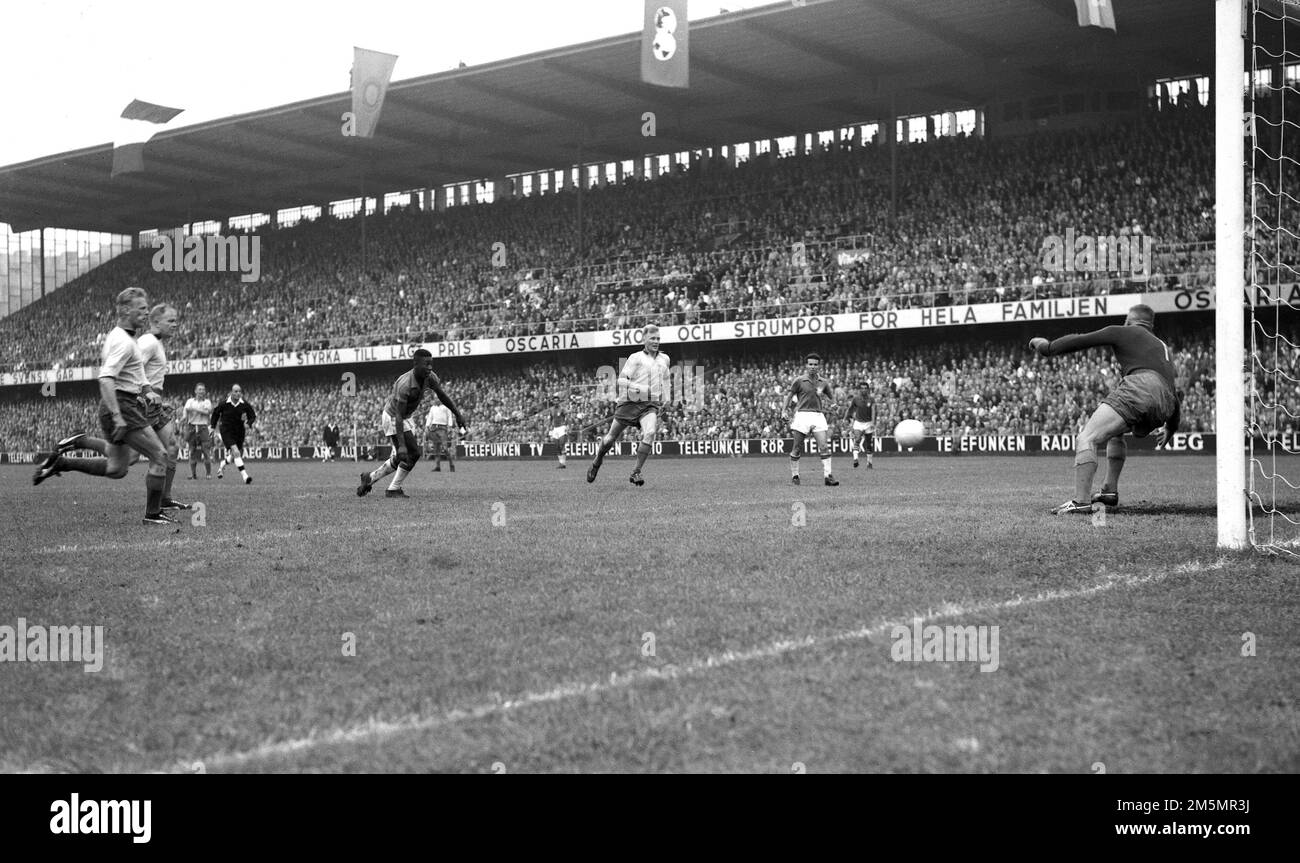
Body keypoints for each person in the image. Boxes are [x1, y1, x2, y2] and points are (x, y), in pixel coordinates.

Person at [32, 287, 176, 525]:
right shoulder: (124, 341)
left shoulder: (126, 337)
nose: (146, 312)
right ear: (126, 310)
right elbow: (106, 378)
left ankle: (63, 462)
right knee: (161, 455)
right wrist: (118, 415)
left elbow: (136, 378)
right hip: (121, 405)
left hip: (123, 403)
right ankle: (153, 515)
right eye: (142, 308)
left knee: (117, 468)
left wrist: (150, 393)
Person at [1029, 303, 1181, 514]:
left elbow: (1081, 340)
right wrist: (1171, 428)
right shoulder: (1162, 348)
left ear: (1129, 320)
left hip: (1142, 387)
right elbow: (1175, 392)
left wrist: (1046, 347)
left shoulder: (1125, 330)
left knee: (1086, 438)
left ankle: (1080, 501)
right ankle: (1109, 490)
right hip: (1167, 402)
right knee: (1115, 432)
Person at [357, 349, 467, 498]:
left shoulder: (430, 377)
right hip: (393, 417)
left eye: (431, 364)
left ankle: (370, 478)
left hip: (406, 417)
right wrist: (401, 444)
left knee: (402, 457)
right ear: (415, 364)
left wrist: (458, 415)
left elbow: (442, 395)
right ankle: (393, 489)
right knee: (412, 453)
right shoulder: (405, 384)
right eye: (426, 364)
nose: (429, 368)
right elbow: (398, 416)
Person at [587, 325, 669, 487]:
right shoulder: (635, 357)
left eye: (658, 338)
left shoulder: (664, 359)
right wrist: (639, 387)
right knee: (610, 438)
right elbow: (621, 380)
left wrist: (666, 397)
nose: (656, 341)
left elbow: (665, 378)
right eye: (652, 338)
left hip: (649, 403)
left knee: (651, 432)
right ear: (643, 339)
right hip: (630, 401)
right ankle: (597, 461)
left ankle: (636, 471)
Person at [785, 352, 839, 486]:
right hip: (802, 415)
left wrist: (833, 404)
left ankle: (828, 477)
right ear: (806, 365)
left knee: (824, 446)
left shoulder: (823, 382)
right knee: (797, 448)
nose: (813, 367)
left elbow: (831, 397)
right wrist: (783, 410)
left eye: (815, 364)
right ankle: (795, 476)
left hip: (818, 415)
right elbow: (789, 396)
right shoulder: (799, 381)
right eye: (810, 364)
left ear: (819, 366)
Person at [211, 384, 256, 484]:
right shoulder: (224, 404)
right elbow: (215, 413)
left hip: (239, 432)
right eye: (235, 391)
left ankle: (223, 463)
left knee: (235, 454)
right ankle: (245, 476)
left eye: (239, 391)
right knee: (236, 452)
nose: (238, 393)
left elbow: (252, 416)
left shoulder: (244, 404)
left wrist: (248, 424)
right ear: (231, 392)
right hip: (226, 431)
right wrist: (212, 427)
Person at [182, 383, 215, 479]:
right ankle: (193, 474)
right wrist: (183, 418)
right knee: (192, 451)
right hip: (191, 427)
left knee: (206, 452)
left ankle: (208, 474)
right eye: (199, 389)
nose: (201, 391)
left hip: (203, 427)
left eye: (203, 390)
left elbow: (208, 412)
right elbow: (186, 411)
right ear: (195, 391)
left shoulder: (207, 402)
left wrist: (194, 409)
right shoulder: (189, 401)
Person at [843, 380, 876, 469]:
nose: (864, 390)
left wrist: (873, 422)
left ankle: (869, 463)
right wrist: (845, 418)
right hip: (858, 422)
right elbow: (850, 409)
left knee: (869, 443)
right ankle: (855, 459)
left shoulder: (871, 399)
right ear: (859, 390)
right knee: (857, 439)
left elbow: (873, 411)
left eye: (865, 388)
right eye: (862, 388)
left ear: (868, 389)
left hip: (868, 423)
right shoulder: (856, 399)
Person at [425, 397, 455, 472]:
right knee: (436, 448)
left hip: (443, 428)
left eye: (437, 398)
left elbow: (449, 416)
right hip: (434, 428)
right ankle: (437, 466)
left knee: (445, 448)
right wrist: (427, 426)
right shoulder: (432, 408)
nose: (436, 400)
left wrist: (450, 426)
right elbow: (430, 417)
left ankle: (451, 464)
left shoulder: (446, 407)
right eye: (435, 399)